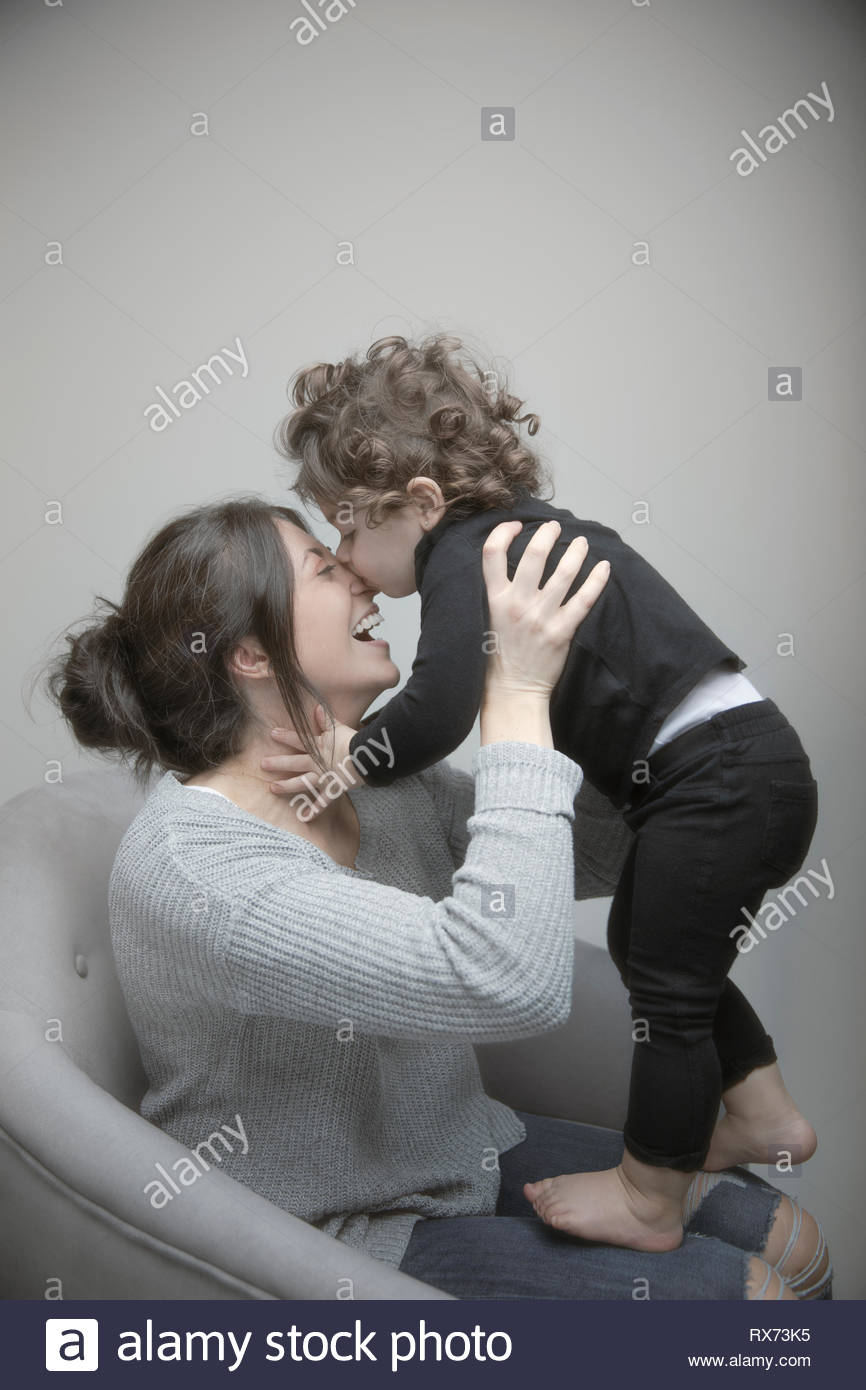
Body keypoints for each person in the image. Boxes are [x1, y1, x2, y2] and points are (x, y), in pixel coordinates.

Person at [45, 495, 829, 1299]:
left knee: (791, 1241)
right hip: (340, 1230)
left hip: (460, 1148)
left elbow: (597, 849)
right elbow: (506, 980)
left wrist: (597, 686)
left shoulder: (381, 783)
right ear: (248, 652)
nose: (365, 581)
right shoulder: (200, 863)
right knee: (759, 1303)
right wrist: (514, 697)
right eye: (325, 566)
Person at [275, 331, 821, 1254]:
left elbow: (443, 705)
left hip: (716, 781)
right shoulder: (523, 531)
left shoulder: (469, 556)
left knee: (670, 990)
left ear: (419, 502)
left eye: (347, 526)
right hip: (742, 769)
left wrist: (348, 760)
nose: (346, 553)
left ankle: (651, 1196)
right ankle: (761, 1114)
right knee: (652, 952)